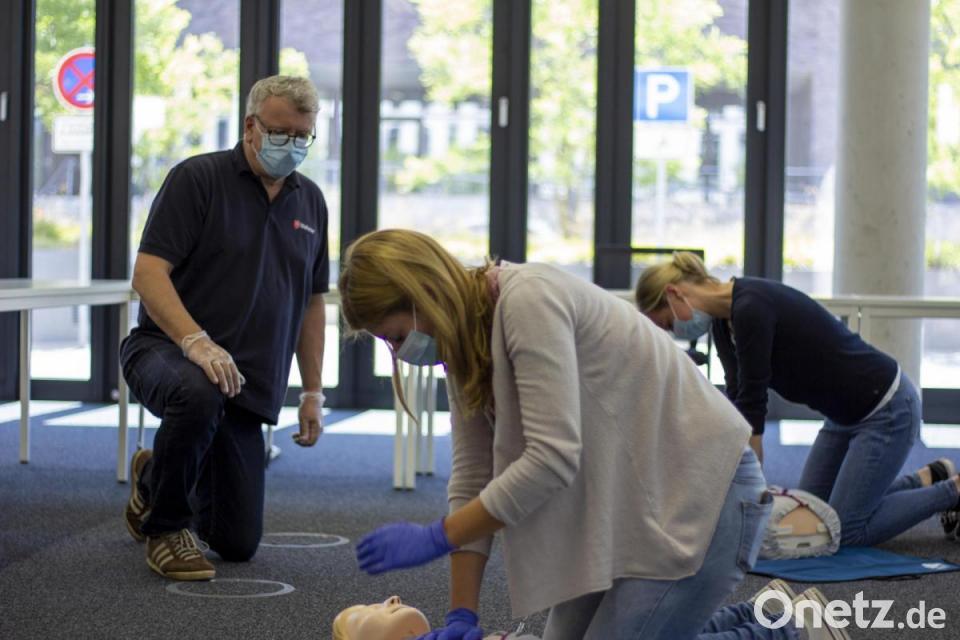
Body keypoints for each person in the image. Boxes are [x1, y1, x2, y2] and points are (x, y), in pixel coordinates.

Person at [338, 229, 783, 640]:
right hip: (634, 506)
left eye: (397, 336)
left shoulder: (528, 300)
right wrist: (461, 613)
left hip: (705, 497)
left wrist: (440, 536)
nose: (400, 351)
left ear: (425, 295)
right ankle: (773, 618)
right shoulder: (464, 343)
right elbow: (473, 476)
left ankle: (789, 630)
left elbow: (551, 458)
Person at [121, 75, 330, 581]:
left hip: (242, 387)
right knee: (198, 391)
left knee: (237, 543)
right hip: (166, 353)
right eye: (280, 133)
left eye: (302, 136)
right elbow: (148, 273)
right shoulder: (198, 179)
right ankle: (165, 529)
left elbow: (311, 301)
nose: (291, 145)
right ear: (250, 127)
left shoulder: (310, 201)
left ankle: (154, 474)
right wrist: (196, 342)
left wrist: (312, 392)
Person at [635, 252, 960, 549]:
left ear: (674, 293)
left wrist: (748, 487)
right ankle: (928, 477)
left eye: (667, 323)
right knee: (814, 517)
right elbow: (736, 398)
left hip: (887, 409)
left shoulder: (750, 306)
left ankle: (953, 491)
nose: (675, 331)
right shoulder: (722, 323)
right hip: (843, 415)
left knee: (845, 531)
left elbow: (753, 405)